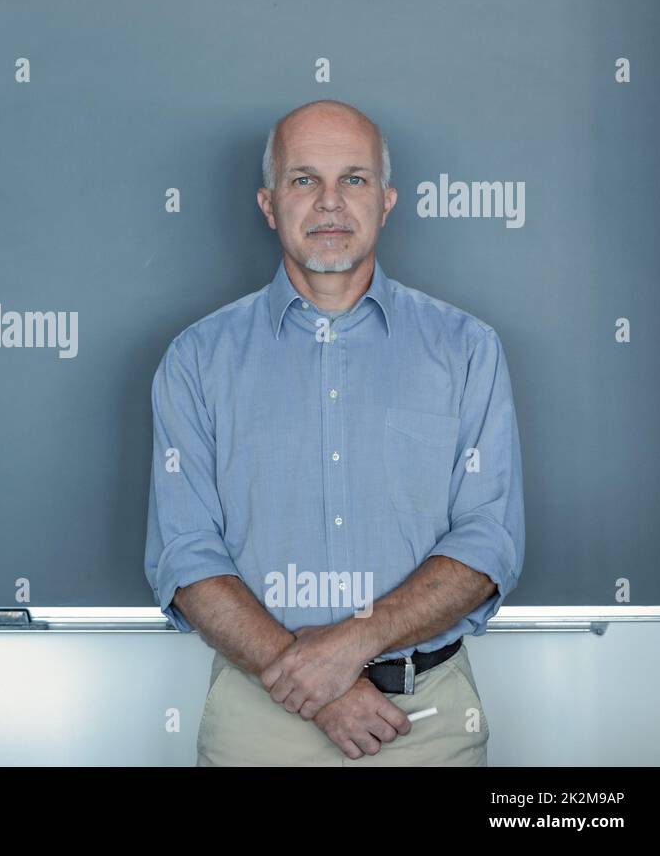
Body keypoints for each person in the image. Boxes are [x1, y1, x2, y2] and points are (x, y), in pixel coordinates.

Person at [144, 99, 525, 765]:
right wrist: (320, 689)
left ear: (386, 200)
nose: (328, 203)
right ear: (268, 204)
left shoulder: (467, 349)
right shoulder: (197, 359)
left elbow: (489, 541)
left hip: (427, 723)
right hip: (257, 723)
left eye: (353, 179)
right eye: (303, 180)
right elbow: (185, 555)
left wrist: (348, 645)